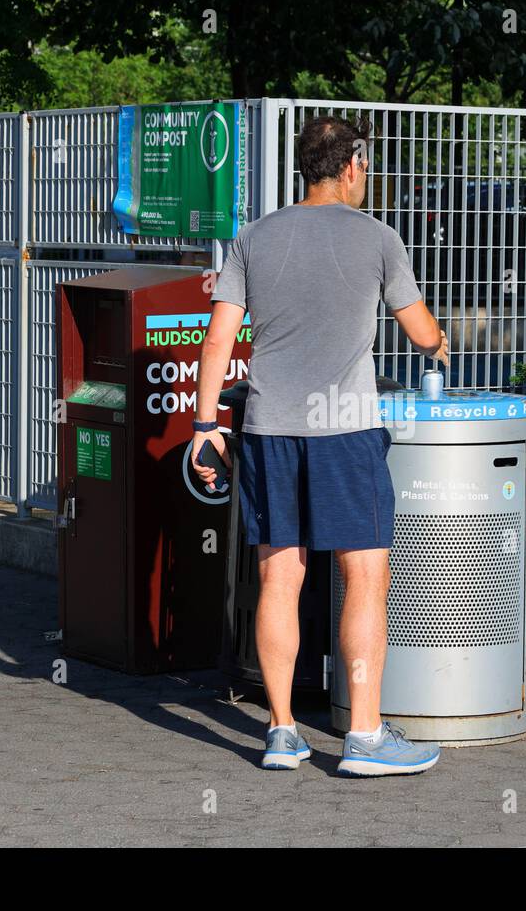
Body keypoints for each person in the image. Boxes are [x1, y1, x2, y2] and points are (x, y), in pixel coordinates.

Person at [190, 116, 450, 777]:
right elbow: (419, 331)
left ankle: (281, 733)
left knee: (281, 573)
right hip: (345, 432)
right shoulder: (378, 239)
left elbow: (218, 341)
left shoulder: (254, 238)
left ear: (305, 167)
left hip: (269, 426)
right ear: (354, 165)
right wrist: (439, 342)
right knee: (364, 574)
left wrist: (203, 429)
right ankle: (363, 736)